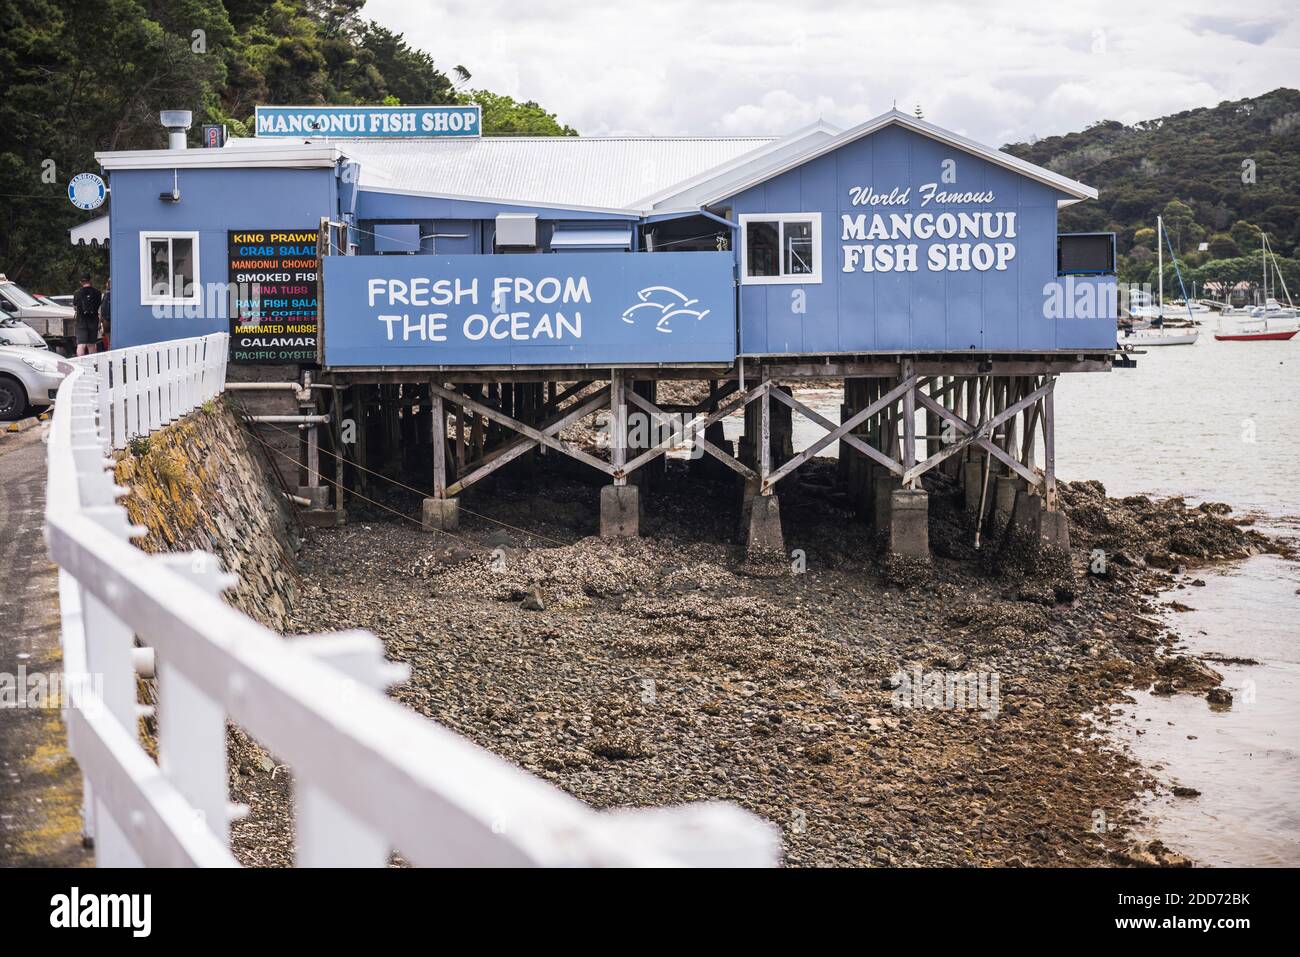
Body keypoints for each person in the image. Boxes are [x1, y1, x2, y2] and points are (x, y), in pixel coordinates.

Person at [72, 273, 102, 356]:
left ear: (81, 282)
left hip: (81, 322)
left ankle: (80, 364)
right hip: (93, 321)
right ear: (90, 280)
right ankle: (93, 365)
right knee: (92, 344)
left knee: (81, 345)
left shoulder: (77, 293)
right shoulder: (97, 293)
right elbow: (99, 307)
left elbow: (75, 307)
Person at [98, 278, 111, 351]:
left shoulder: (106, 295)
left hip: (106, 321)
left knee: (109, 340)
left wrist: (99, 322)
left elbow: (102, 309)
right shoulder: (115, 294)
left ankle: (109, 353)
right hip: (109, 320)